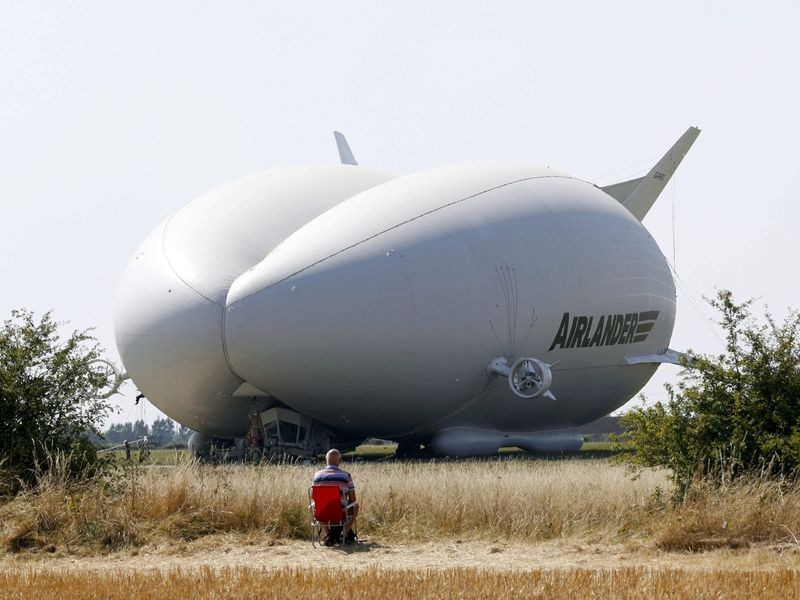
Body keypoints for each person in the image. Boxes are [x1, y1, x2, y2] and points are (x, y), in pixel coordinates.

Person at [312, 449, 359, 545]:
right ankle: (344, 533)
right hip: (341, 513)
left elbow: (313, 497)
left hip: (322, 513)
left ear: (326, 460)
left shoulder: (317, 475)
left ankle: (328, 534)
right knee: (355, 506)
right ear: (340, 461)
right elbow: (353, 499)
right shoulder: (346, 476)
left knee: (317, 506)